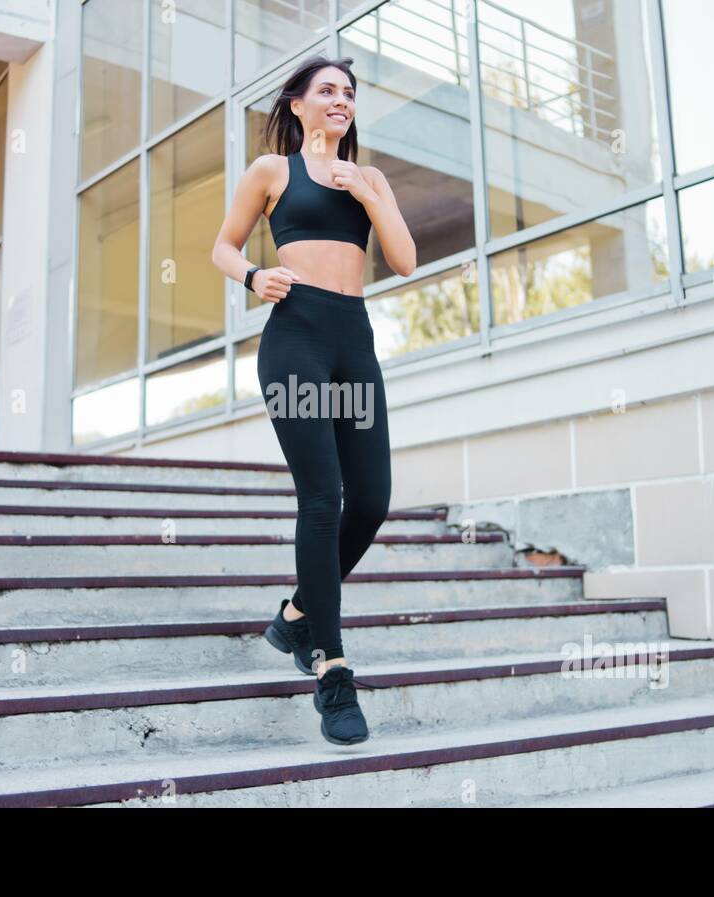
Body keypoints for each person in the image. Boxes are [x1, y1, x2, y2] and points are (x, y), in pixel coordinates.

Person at [210, 54, 416, 745]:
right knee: (322, 498)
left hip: (352, 340)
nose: (340, 100)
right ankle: (332, 673)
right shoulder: (272, 172)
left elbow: (406, 259)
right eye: (326, 90)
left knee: (373, 498)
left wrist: (369, 194)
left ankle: (297, 612)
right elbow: (222, 245)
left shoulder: (371, 177)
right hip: (295, 338)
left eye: (349, 93)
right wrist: (252, 275)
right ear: (297, 104)